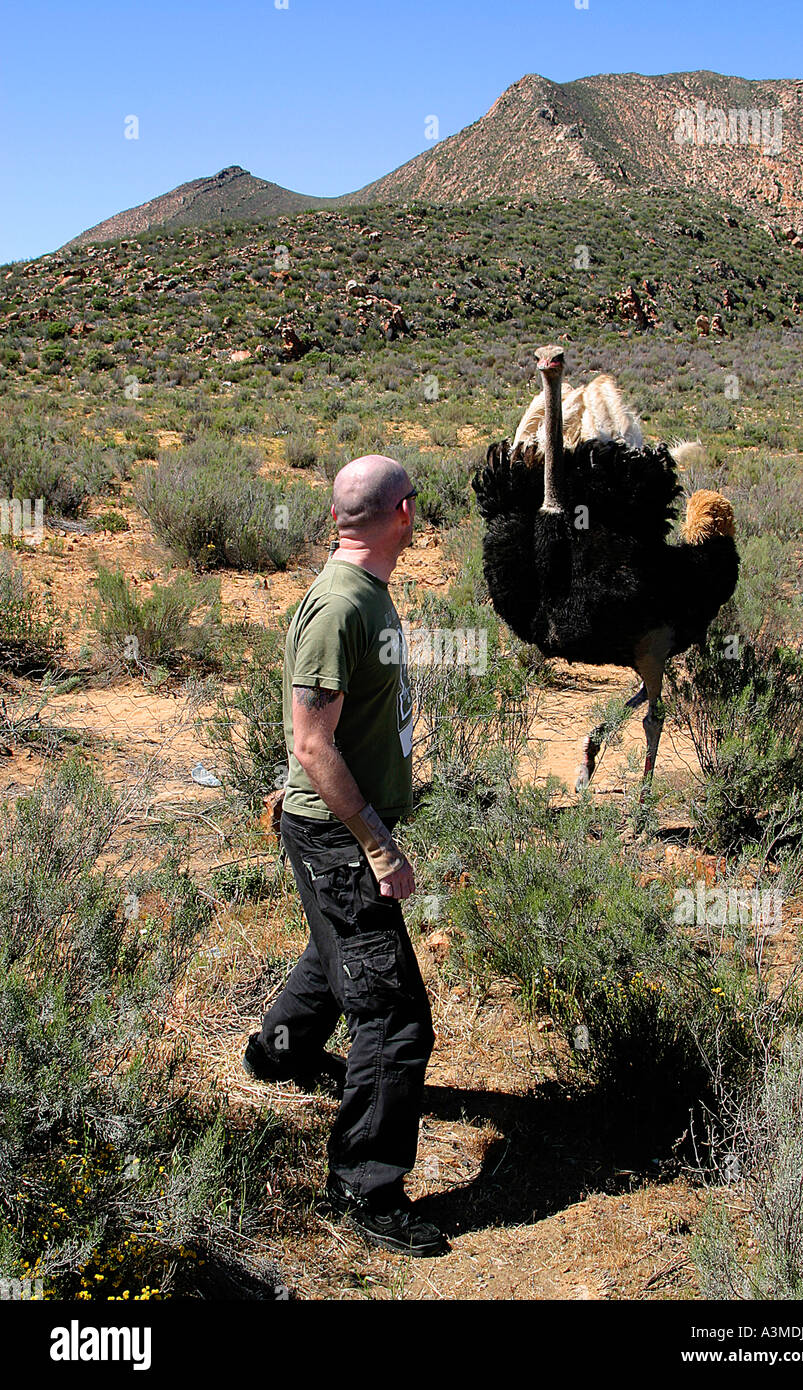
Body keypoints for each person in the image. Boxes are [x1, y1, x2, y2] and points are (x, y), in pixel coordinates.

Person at [243, 455, 447, 1258]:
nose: (418, 514)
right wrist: (378, 844)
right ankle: (367, 1184)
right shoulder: (338, 608)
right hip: (338, 837)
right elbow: (311, 743)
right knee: (395, 1017)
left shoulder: (366, 593)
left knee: (338, 952)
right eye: (415, 504)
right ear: (399, 512)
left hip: (337, 831)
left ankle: (277, 1054)